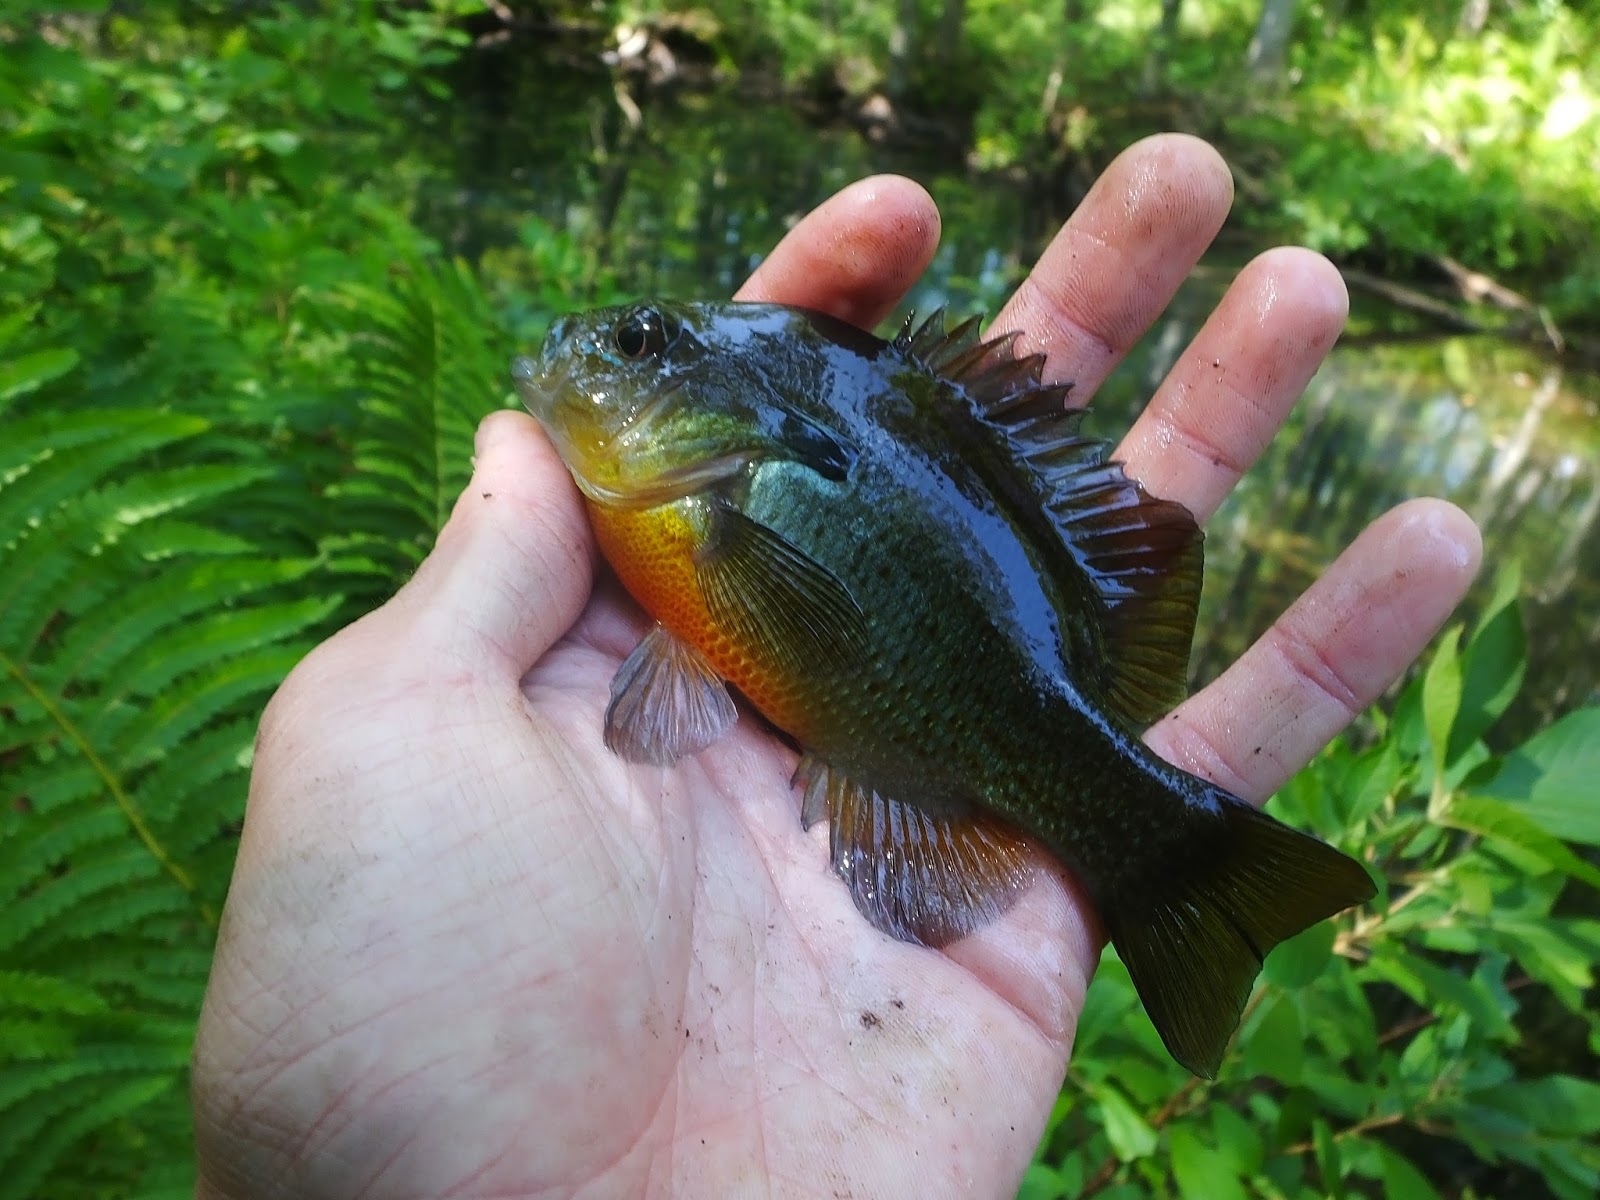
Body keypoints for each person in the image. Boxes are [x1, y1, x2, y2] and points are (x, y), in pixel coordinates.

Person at [191, 135, 1480, 1198]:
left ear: (719, 412)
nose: (598, 349)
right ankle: (1182, 866)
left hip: (980, 708)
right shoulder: (696, 487)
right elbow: (724, 631)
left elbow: (753, 610)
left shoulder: (719, 491)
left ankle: (1180, 862)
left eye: (640, 346)